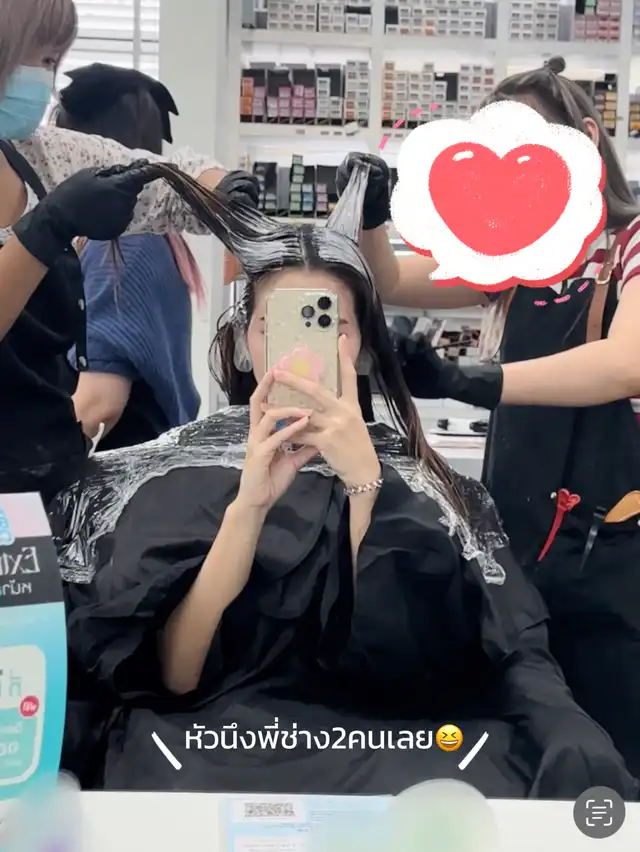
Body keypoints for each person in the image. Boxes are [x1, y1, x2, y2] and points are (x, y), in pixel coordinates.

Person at [51, 160, 637, 799]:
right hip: (210, 754)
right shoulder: (165, 477)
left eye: (331, 322)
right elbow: (175, 678)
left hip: (393, 753)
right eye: (277, 324)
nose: (303, 346)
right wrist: (246, 512)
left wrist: (366, 492)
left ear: (363, 349)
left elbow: (418, 674)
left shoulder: (433, 488)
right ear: (245, 341)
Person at [336, 56, 640, 776]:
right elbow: (390, 279)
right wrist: (372, 215)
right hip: (522, 545)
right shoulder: (515, 254)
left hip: (613, 560)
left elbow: (628, 360)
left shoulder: (629, 245)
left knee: (617, 749)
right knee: (530, 748)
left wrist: (475, 380)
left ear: (586, 140)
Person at [0, 0, 258, 502]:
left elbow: (160, 177)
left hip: (47, 476)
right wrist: (46, 228)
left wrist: (218, 190)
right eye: (42, 58)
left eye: (54, 61)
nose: (45, 82)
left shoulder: (40, 154)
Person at [54, 63, 204, 449]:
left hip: (109, 468)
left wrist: (31, 471)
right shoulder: (150, 239)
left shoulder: (118, 248)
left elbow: (98, 405)